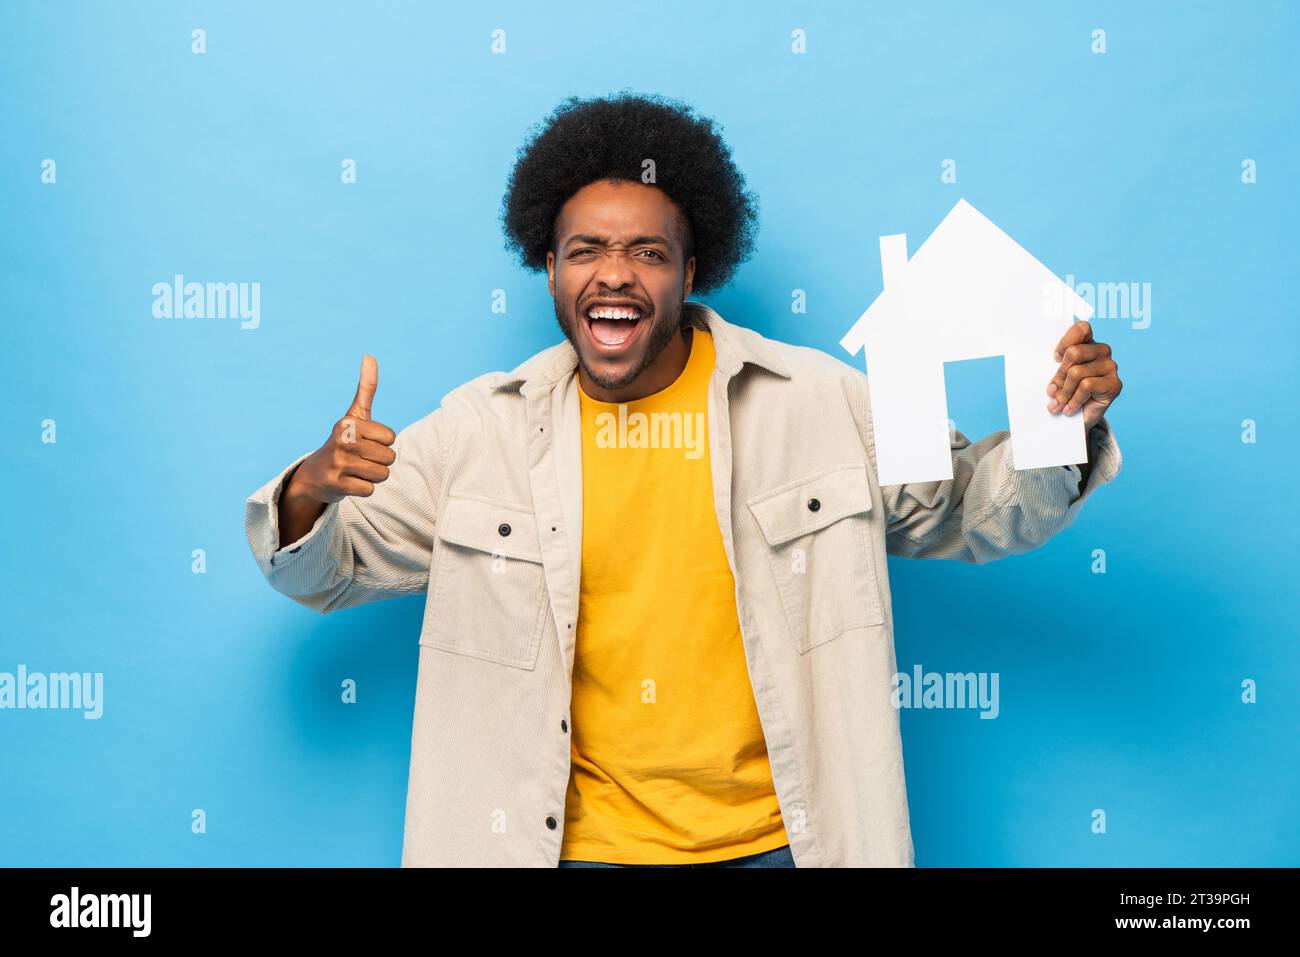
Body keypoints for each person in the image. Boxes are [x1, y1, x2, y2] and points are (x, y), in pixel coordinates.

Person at [244, 91, 1124, 868]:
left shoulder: (821, 402)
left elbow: (969, 508)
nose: (614, 272)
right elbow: (326, 569)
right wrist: (313, 486)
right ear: (549, 269)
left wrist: (1063, 425)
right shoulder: (482, 430)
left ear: (692, 268)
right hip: (565, 850)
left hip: (785, 845)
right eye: (585, 249)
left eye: (648, 253)